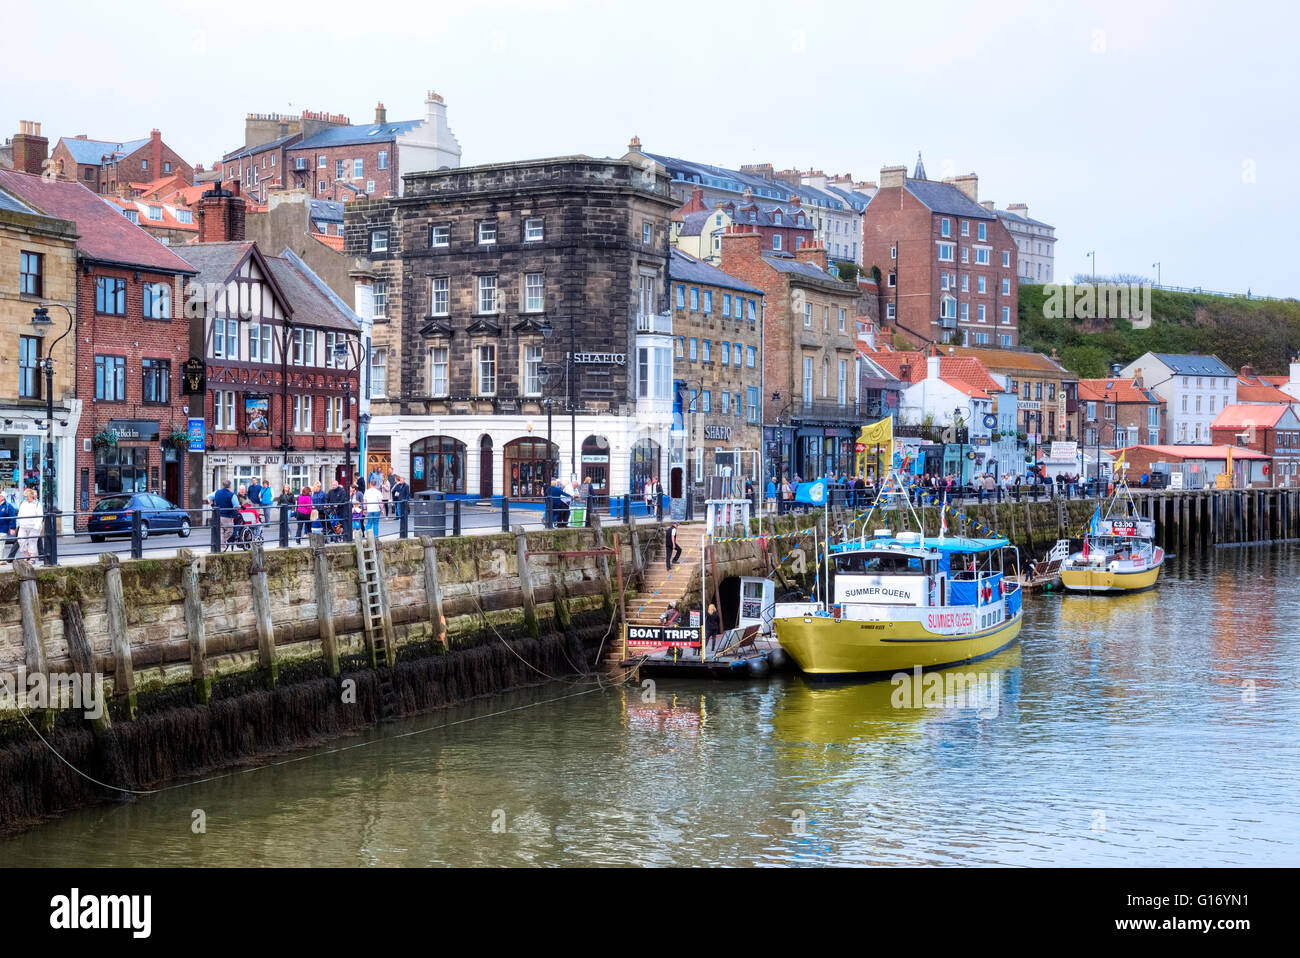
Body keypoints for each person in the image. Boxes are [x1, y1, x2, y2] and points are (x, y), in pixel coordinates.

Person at [16, 487, 43, 561]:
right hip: (23, 525)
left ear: (31, 496)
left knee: (32, 541)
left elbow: (40, 515)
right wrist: (18, 524)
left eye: (27, 496)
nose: (26, 498)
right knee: (21, 539)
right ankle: (26, 554)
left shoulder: (37, 504)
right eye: (25, 496)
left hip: (33, 526)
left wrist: (37, 526)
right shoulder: (23, 503)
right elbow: (20, 514)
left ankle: (32, 557)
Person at [0, 489, 19, 562]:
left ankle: (1, 560)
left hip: (3, 528)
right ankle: (3, 559)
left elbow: (12, 517)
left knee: (0, 544)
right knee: (1, 544)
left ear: (3, 497)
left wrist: (12, 528)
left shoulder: (8, 506)